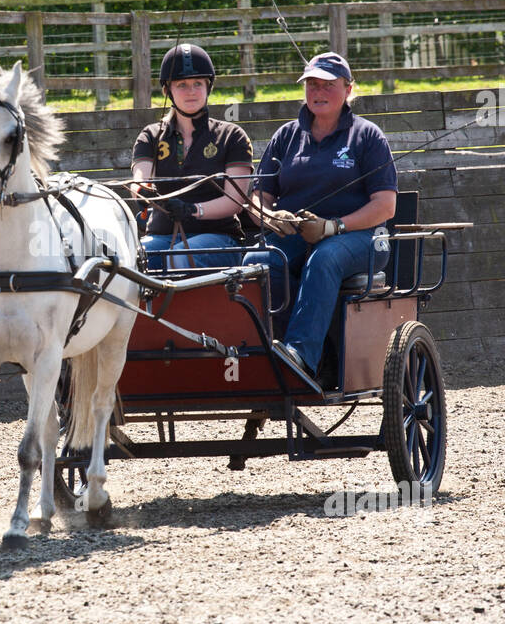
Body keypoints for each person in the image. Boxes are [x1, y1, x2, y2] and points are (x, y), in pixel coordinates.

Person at [243, 52, 398, 381]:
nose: (319, 91)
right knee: (258, 260)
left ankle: (301, 355)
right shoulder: (286, 136)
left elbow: (385, 206)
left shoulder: (367, 136)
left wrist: (333, 226)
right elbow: (257, 197)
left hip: (363, 237)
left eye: (329, 84)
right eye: (312, 83)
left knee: (325, 257)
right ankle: (267, 350)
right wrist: (271, 217)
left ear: (348, 89)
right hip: (296, 235)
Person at [130, 43, 254, 271]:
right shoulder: (151, 135)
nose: (191, 91)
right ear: (167, 91)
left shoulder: (231, 136)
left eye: (198, 83)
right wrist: (141, 191)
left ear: (209, 87)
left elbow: (234, 202)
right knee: (133, 260)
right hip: (161, 235)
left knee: (180, 256)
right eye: (182, 84)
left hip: (219, 238)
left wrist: (193, 209)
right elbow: (140, 178)